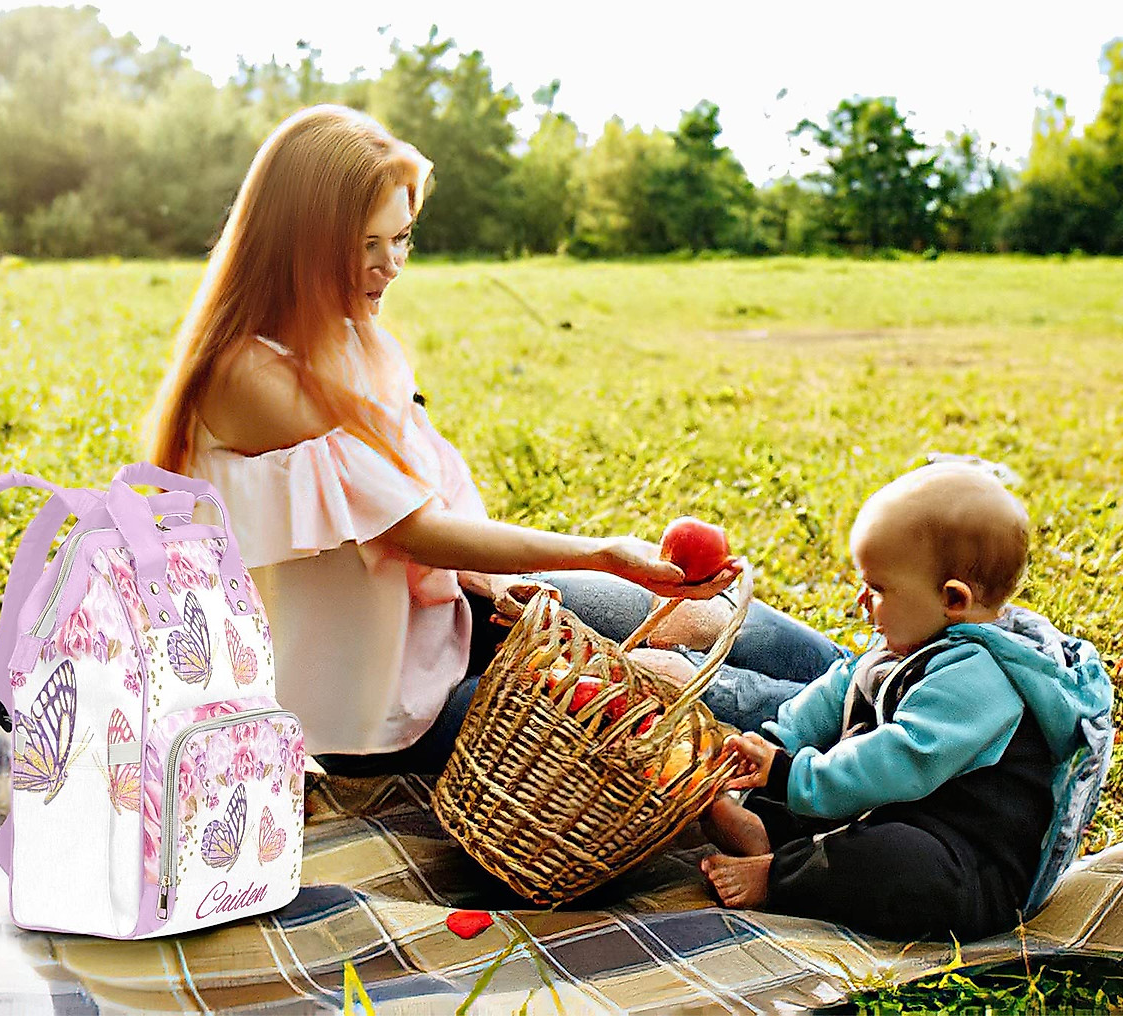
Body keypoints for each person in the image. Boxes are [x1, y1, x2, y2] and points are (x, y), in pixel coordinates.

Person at [144, 104, 753, 776]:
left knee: (712, 620)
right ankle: (862, 743)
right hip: (382, 708)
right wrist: (605, 554)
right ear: (297, 243)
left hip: (448, 623)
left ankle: (872, 684)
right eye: (364, 245)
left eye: (400, 237)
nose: (390, 266)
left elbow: (425, 502)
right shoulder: (247, 374)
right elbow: (413, 530)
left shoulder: (348, 336)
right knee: (669, 682)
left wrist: (491, 585)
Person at [699, 462, 1114, 941]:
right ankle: (768, 833)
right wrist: (776, 741)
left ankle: (779, 876)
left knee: (892, 859)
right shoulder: (912, 639)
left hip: (963, 863)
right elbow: (834, 692)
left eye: (877, 588)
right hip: (895, 809)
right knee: (821, 795)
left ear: (953, 599)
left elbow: (899, 759)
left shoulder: (982, 679)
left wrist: (791, 772)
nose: (861, 600)